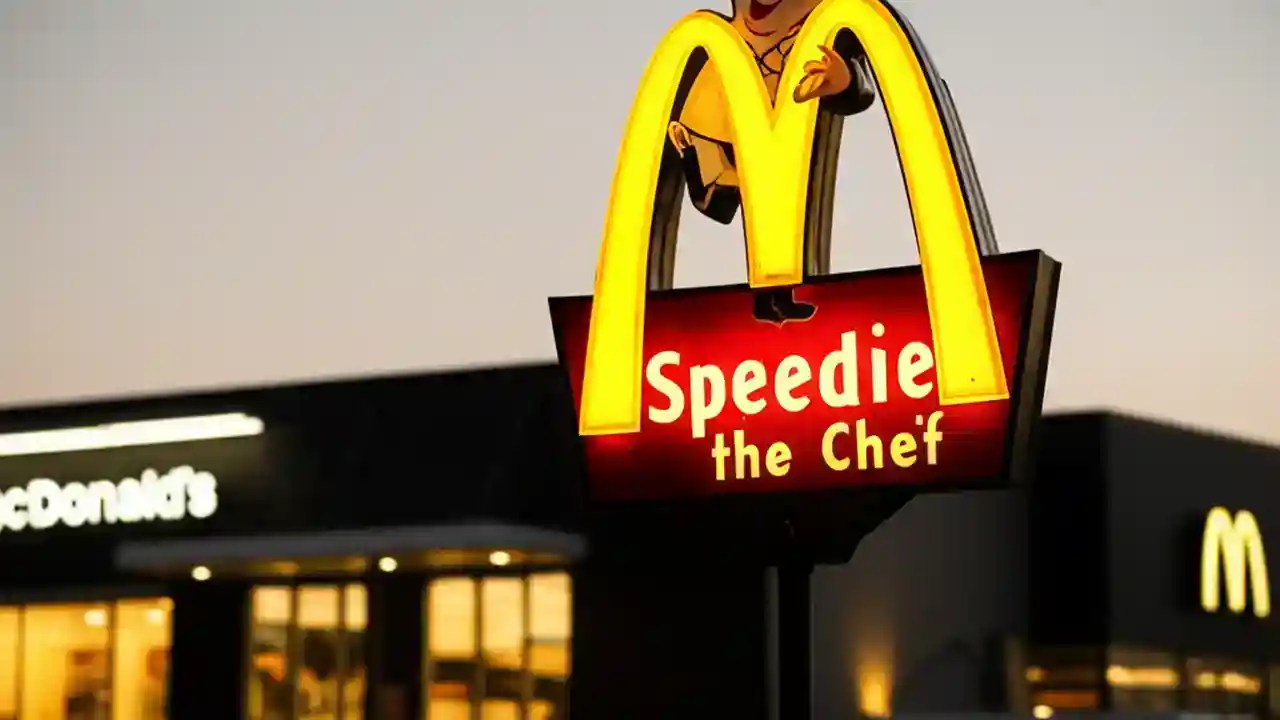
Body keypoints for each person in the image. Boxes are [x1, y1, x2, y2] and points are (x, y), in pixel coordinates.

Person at [666, 0, 877, 324]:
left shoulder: (816, 42)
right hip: (730, 134)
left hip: (779, 143)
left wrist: (844, 80)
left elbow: (859, 89)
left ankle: (777, 294)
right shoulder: (725, 44)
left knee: (778, 213)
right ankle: (769, 291)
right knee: (730, 197)